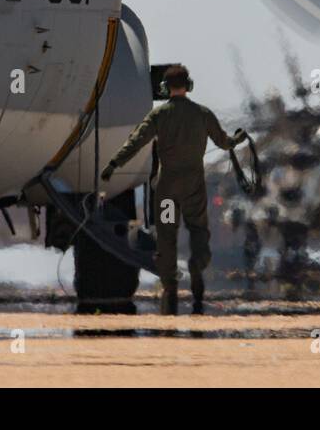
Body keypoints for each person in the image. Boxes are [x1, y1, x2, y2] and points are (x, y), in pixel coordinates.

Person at [101, 64, 244, 315]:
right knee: (199, 230)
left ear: (166, 89)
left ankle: (170, 287)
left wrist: (114, 163)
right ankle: (197, 268)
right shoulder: (203, 114)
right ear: (188, 86)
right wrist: (238, 139)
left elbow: (136, 141)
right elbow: (225, 143)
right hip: (194, 189)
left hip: (167, 189)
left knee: (166, 236)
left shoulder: (159, 116)